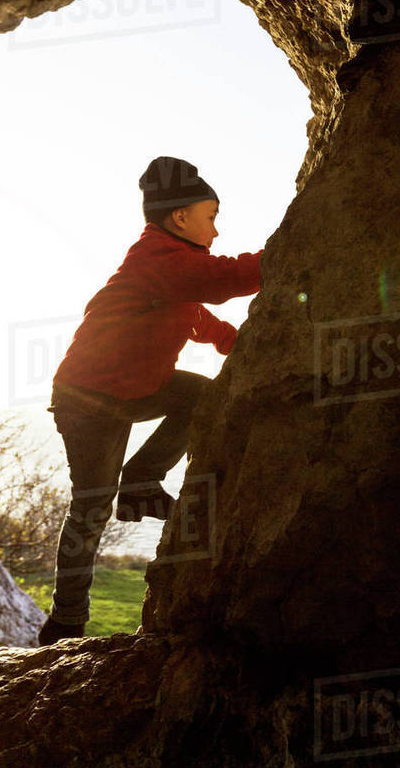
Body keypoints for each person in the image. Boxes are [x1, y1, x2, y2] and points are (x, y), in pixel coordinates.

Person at [37, 156, 262, 645]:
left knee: (201, 395)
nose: (217, 231)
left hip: (136, 390)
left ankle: (141, 480)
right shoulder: (160, 258)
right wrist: (286, 254)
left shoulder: (173, 270)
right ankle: (65, 621)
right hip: (87, 401)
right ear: (180, 217)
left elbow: (195, 316)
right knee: (91, 507)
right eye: (212, 217)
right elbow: (224, 280)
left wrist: (236, 342)